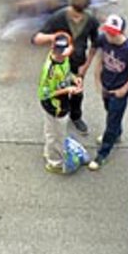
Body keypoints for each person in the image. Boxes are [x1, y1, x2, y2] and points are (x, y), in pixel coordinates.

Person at [32, 0, 100, 136]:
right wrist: (53, 37)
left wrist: (86, 66)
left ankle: (76, 117)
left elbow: (95, 44)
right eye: (74, 14)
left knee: (77, 94)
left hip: (78, 63)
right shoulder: (59, 17)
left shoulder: (91, 21)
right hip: (60, 64)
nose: (76, 18)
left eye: (79, 15)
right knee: (59, 93)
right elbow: (36, 38)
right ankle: (59, 117)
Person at [87, 14, 128, 170]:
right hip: (106, 85)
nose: (109, 35)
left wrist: (124, 89)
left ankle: (103, 153)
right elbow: (98, 55)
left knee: (112, 120)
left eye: (113, 33)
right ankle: (116, 134)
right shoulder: (103, 39)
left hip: (119, 91)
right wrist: (97, 79)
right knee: (110, 112)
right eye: (107, 31)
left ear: (121, 32)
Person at [38, 32, 80, 174]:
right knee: (57, 134)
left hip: (62, 102)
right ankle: (54, 162)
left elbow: (66, 72)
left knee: (52, 131)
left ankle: (49, 152)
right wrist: (67, 89)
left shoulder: (64, 59)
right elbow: (45, 93)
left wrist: (74, 78)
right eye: (59, 52)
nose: (61, 55)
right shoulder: (50, 70)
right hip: (54, 106)